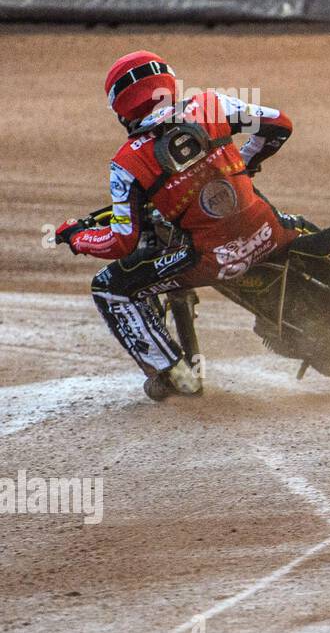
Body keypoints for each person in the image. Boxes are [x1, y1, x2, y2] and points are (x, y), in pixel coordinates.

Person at [55, 50, 298, 400]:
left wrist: (78, 237)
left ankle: (173, 373)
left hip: (212, 262)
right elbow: (280, 125)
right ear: (168, 82)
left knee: (109, 287)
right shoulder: (210, 104)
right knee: (302, 225)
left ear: (122, 107)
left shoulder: (126, 163)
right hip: (271, 232)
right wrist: (245, 163)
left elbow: (122, 242)